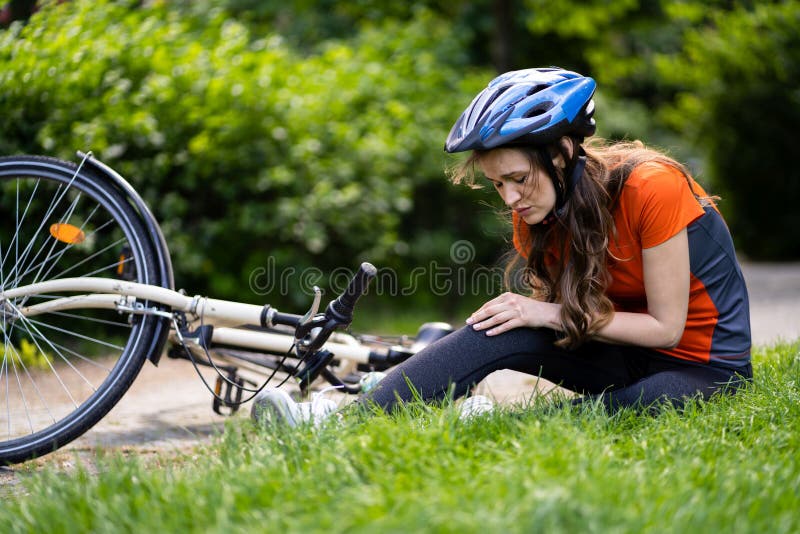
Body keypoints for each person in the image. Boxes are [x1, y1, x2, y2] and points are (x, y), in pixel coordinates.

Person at [253, 67, 752, 425]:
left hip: (701, 368)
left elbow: (666, 329)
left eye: (518, 178)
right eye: (498, 185)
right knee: (501, 323)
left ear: (561, 153)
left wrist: (549, 314)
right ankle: (340, 420)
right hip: (619, 355)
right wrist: (525, 320)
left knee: (578, 418)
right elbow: (566, 317)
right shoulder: (536, 216)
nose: (511, 198)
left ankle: (471, 417)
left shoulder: (651, 186)